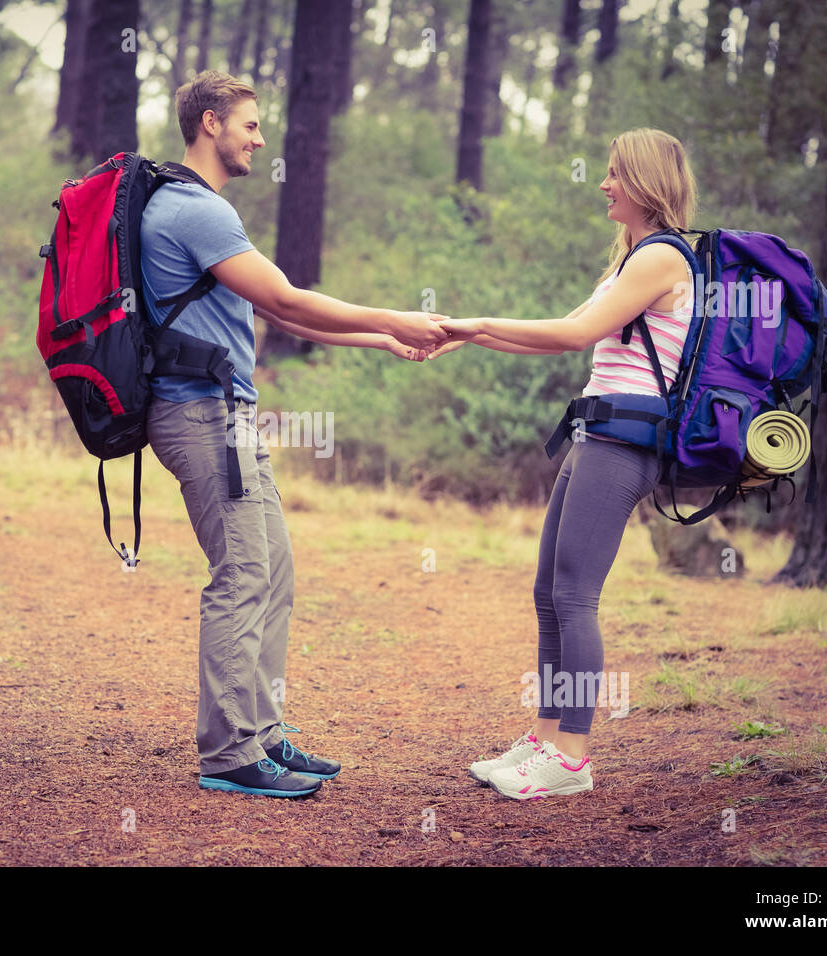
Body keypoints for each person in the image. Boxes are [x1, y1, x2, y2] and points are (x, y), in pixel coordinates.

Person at [142, 70, 448, 798]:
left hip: (223, 417)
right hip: (204, 418)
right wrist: (391, 316)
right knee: (243, 577)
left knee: (272, 572)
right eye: (249, 123)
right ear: (210, 123)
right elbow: (285, 294)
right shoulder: (197, 211)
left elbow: (278, 316)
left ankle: (264, 733)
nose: (260, 136)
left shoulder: (196, 210)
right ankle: (229, 755)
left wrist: (380, 341)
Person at [430, 127, 698, 800]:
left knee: (576, 595)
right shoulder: (628, 261)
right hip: (595, 435)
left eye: (615, 173)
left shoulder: (663, 258)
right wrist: (468, 335)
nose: (604, 184)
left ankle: (572, 757)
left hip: (624, 442)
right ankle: (547, 737)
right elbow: (559, 333)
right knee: (549, 592)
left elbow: (574, 334)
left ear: (645, 183)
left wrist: (472, 324)